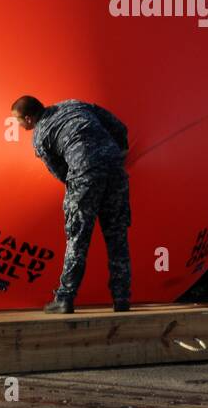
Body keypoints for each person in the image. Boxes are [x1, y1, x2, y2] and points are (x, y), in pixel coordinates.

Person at [10, 95, 131, 314]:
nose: (18, 125)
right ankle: (121, 298)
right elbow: (118, 126)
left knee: (78, 238)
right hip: (115, 169)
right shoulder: (74, 104)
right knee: (117, 236)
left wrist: (83, 181)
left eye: (18, 121)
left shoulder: (40, 137)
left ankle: (65, 298)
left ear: (28, 119)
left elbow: (61, 173)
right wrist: (120, 151)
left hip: (84, 172)